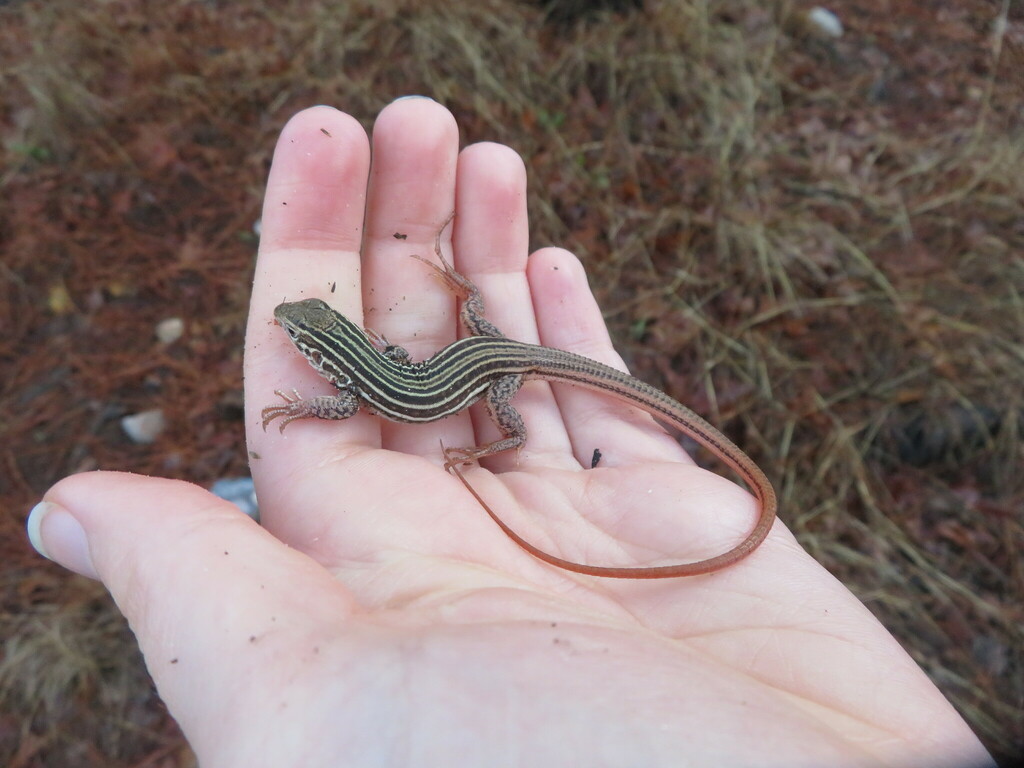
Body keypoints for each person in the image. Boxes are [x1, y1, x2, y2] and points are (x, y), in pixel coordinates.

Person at [27, 99, 993, 767]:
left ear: (325, 347)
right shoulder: (364, 363)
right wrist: (455, 311)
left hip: (488, 371)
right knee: (474, 351)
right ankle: (476, 349)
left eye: (302, 330)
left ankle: (493, 444)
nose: (294, 332)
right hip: (478, 356)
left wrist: (450, 438)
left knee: (499, 419)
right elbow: (372, 374)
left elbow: (347, 405)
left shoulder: (352, 385)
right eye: (302, 329)